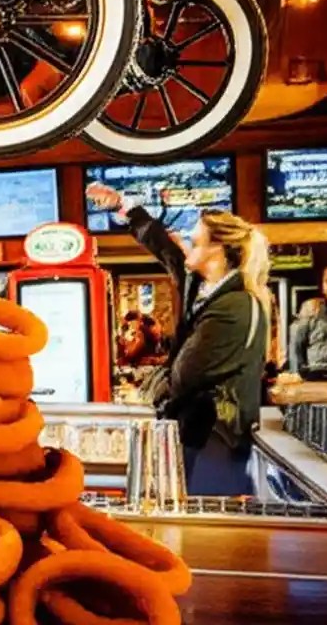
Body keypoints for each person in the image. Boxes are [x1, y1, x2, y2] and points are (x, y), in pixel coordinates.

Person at [87, 184, 269, 496]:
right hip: (196, 429)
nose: (186, 242)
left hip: (218, 437)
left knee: (209, 533)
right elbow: (166, 249)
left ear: (218, 248)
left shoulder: (235, 305)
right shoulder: (203, 288)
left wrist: (144, 390)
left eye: (195, 239)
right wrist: (124, 206)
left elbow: (184, 376)